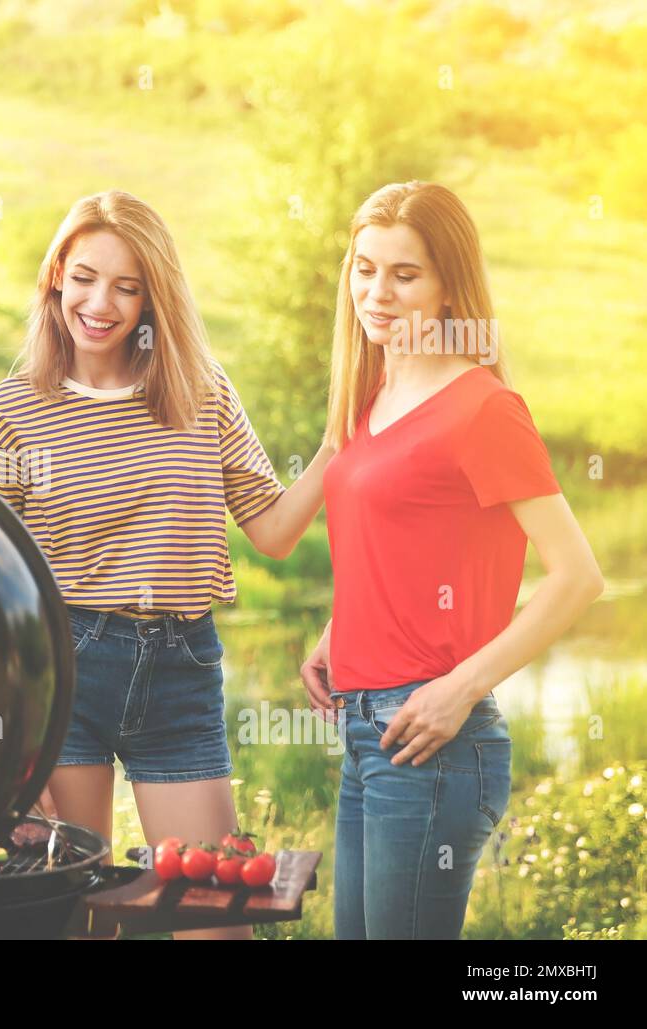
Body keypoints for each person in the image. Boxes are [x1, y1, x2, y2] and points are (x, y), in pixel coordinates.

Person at [0, 190, 333, 939]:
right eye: (86, 277)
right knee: (72, 916)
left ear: (153, 298)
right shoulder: (7, 413)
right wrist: (8, 746)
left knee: (215, 921)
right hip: (61, 664)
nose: (100, 303)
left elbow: (271, 531)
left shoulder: (202, 392)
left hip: (181, 668)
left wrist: (339, 444)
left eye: (127, 287)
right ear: (56, 277)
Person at [298, 180, 604, 939]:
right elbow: (404, 535)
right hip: (365, 729)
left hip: (435, 740)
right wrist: (342, 628)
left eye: (406, 274)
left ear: (448, 286)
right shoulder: (372, 394)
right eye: (365, 268)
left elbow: (577, 576)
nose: (378, 292)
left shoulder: (483, 408)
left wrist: (459, 688)